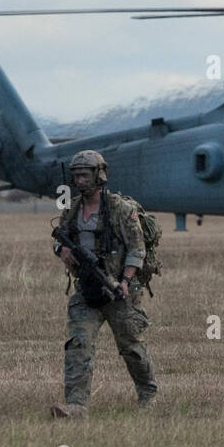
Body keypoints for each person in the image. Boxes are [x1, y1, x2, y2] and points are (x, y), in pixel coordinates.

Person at [51, 150, 157, 418]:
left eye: (85, 175)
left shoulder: (121, 209)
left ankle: (148, 394)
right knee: (79, 344)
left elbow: (137, 249)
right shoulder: (72, 209)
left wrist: (125, 281)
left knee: (131, 346)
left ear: (99, 175)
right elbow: (59, 238)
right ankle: (76, 405)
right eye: (76, 176)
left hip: (120, 291)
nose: (80, 180)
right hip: (87, 291)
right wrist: (61, 250)